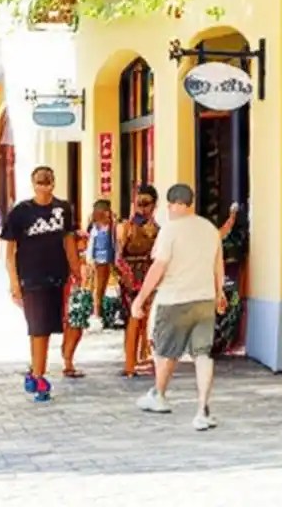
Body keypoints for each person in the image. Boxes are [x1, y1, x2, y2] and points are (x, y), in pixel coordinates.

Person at [132, 183, 226, 431]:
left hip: (174, 299)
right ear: (191, 203)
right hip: (204, 299)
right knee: (203, 354)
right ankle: (202, 409)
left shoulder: (170, 231)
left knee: (164, 351)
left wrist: (140, 298)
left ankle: (159, 395)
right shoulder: (209, 229)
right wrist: (220, 293)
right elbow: (219, 265)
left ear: (172, 204)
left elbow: (159, 267)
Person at [1, 165, 81, 402]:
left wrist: (77, 271)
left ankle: (37, 369)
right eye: (39, 181)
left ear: (54, 183)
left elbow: (69, 241)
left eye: (47, 181)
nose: (44, 186)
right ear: (32, 183)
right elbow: (9, 251)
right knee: (38, 328)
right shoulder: (21, 212)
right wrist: (14, 282)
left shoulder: (63, 209)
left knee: (51, 326)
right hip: (31, 277)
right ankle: (39, 376)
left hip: (57, 276)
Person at [117, 184, 160, 377]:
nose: (142, 207)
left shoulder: (158, 230)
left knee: (145, 320)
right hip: (131, 277)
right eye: (139, 203)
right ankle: (129, 364)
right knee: (133, 319)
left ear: (154, 205)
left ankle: (142, 355)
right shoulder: (126, 227)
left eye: (146, 203)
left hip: (149, 276)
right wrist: (127, 278)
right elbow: (117, 256)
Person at [85, 199, 117, 327]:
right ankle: (97, 311)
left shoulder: (111, 226)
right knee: (99, 286)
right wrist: (90, 259)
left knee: (106, 285)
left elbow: (115, 243)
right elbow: (91, 244)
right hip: (99, 259)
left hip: (109, 257)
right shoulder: (96, 227)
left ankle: (102, 310)